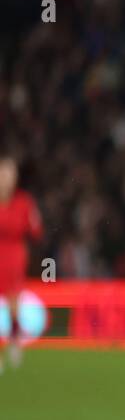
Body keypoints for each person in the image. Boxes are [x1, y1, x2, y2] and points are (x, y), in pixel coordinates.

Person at [0, 153, 43, 374]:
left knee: (13, 301)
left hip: (14, 255)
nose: (6, 178)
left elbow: (35, 230)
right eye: (3, 173)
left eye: (10, 174)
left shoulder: (23, 202)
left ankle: (15, 341)